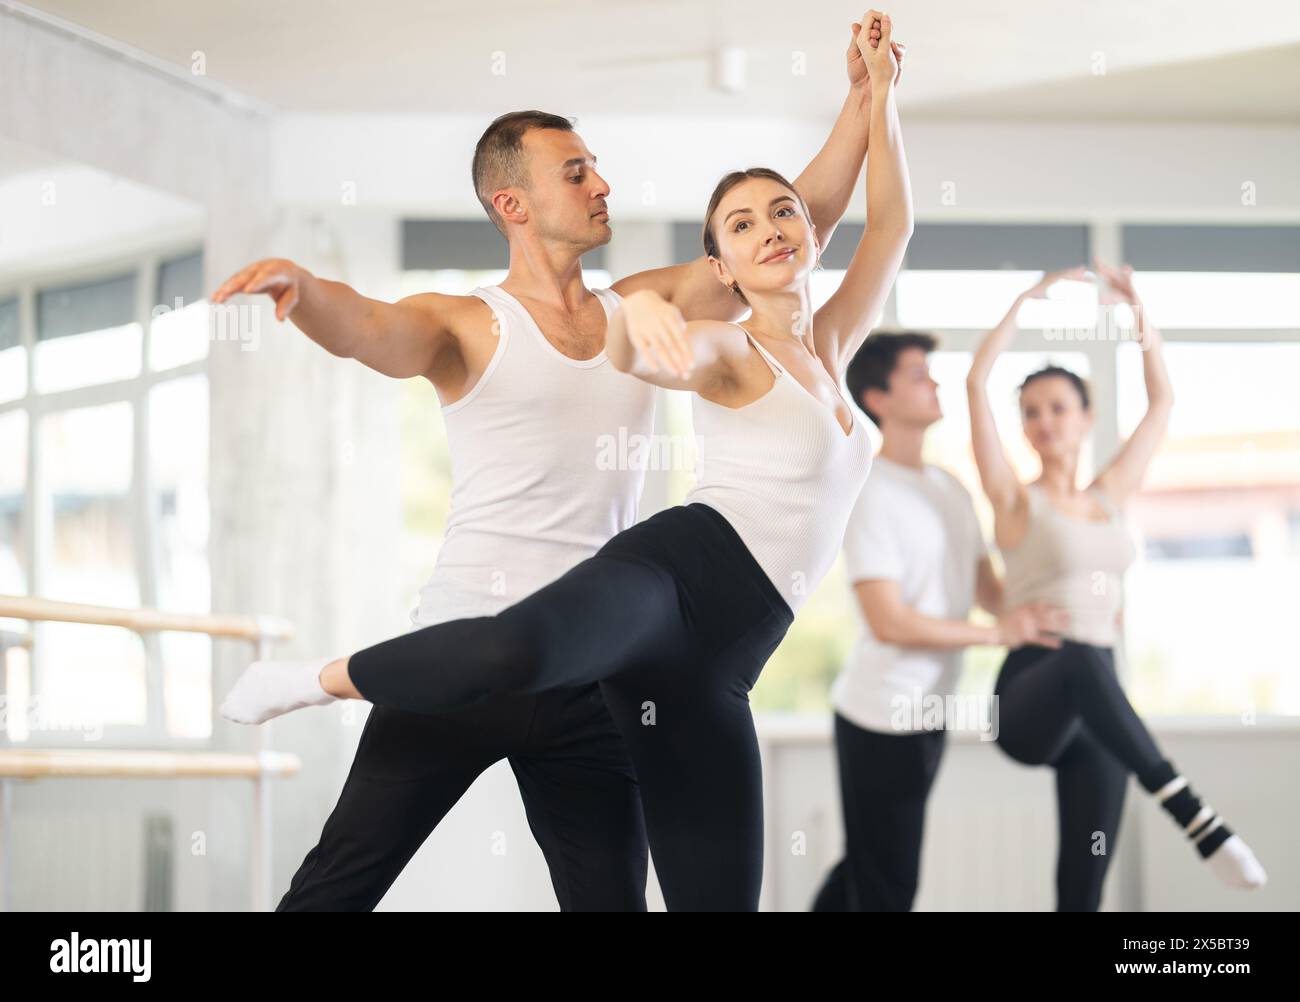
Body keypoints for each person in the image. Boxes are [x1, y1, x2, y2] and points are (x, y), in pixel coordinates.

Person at [221, 12, 913, 911]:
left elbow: (796, 222)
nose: (602, 183)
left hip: (598, 666)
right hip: (467, 644)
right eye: (576, 171)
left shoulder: (641, 298)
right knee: (339, 885)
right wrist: (305, 292)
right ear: (513, 203)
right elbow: (371, 329)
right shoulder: (470, 322)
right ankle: (321, 684)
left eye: (596, 167)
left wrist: (864, 97)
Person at [966, 262, 1267, 909]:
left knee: (1084, 883)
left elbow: (1163, 403)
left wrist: (1139, 313)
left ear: (1085, 416)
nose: (1044, 422)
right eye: (1031, 413)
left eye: (1057, 408)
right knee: (1076, 656)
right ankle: (1198, 820)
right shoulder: (1015, 500)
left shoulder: (1107, 496)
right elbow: (974, 380)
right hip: (1031, 692)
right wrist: (1023, 298)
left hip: (1098, 696)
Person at [811, 331, 1067, 911]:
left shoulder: (949, 487)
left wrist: (1045, 612)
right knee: (889, 880)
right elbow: (890, 623)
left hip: (931, 710)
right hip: (881, 714)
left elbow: (990, 592)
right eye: (920, 375)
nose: (936, 383)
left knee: (871, 865)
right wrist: (998, 634)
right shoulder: (868, 491)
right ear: (878, 397)